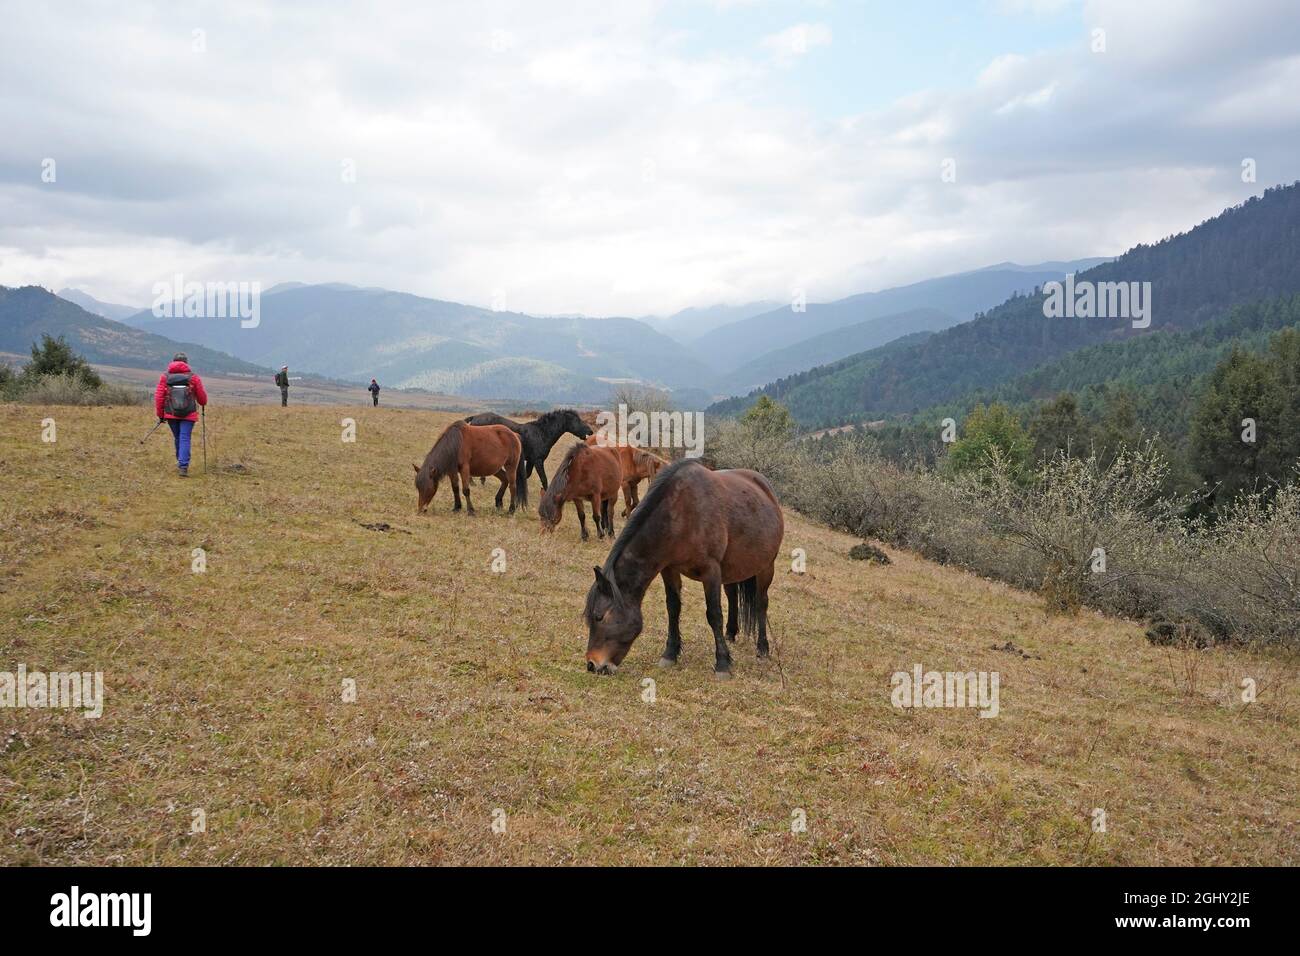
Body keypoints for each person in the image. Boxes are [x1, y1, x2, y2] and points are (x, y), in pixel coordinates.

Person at [154, 352, 208, 478]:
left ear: (173, 362)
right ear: (186, 363)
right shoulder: (193, 377)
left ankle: (181, 461)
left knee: (178, 437)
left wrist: (160, 415)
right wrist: (203, 402)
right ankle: (183, 466)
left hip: (171, 413)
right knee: (185, 437)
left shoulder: (165, 377)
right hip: (189, 414)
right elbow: (202, 398)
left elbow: (159, 397)